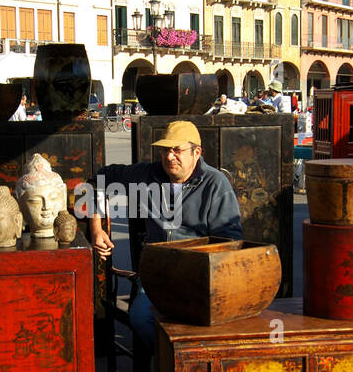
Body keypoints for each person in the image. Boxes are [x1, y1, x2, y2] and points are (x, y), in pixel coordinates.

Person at [87, 120, 241, 345]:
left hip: (200, 276)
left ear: (196, 152)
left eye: (177, 150)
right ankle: (170, 366)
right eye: (165, 150)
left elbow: (231, 241)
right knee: (141, 318)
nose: (169, 157)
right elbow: (99, 180)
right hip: (157, 274)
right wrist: (96, 228)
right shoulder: (148, 175)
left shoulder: (215, 184)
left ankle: (179, 368)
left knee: (199, 326)